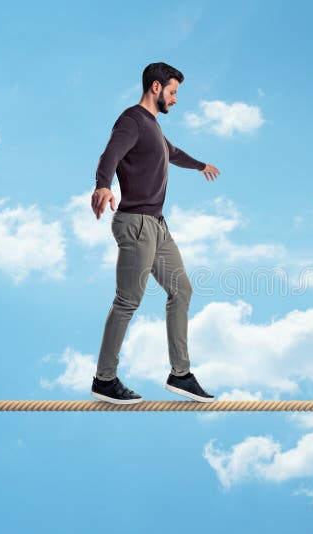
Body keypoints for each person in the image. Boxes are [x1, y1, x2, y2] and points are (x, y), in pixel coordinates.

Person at [89, 62, 219, 405]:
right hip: (136, 225)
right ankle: (104, 379)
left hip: (158, 227)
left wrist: (200, 165)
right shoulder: (132, 120)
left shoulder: (154, 130)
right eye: (173, 92)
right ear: (156, 87)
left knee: (182, 289)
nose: (176, 100)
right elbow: (111, 153)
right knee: (128, 301)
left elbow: (173, 153)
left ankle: (180, 374)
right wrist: (103, 185)